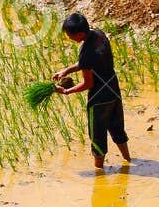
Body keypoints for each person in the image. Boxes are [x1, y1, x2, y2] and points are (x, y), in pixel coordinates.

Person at [53, 12, 131, 170]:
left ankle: (99, 172)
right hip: (114, 90)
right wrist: (66, 71)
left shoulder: (86, 51)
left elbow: (87, 83)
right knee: (117, 128)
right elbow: (87, 63)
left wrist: (66, 92)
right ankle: (128, 160)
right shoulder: (99, 35)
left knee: (97, 137)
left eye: (70, 35)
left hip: (99, 98)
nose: (69, 38)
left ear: (80, 34)